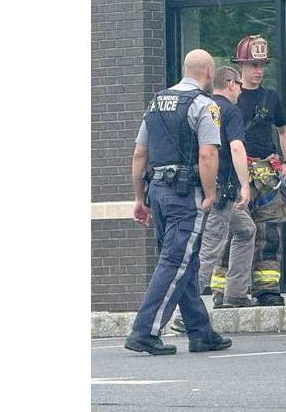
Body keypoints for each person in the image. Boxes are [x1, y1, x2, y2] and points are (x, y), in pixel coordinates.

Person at [125, 49, 232, 355]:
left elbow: (139, 154)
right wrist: (210, 193)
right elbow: (208, 153)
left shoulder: (157, 102)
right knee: (176, 261)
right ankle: (145, 331)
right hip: (186, 194)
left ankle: (201, 332)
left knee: (185, 259)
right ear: (209, 73)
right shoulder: (204, 105)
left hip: (156, 191)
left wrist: (138, 198)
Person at [233, 35, 286, 307]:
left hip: (268, 175)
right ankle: (228, 291)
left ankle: (268, 289)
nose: (258, 71)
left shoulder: (271, 98)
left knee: (269, 233)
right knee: (235, 231)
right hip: (238, 173)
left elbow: (283, 130)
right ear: (241, 67)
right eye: (252, 65)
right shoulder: (231, 98)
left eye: (261, 65)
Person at [198, 66, 257, 308]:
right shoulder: (230, 111)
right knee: (209, 251)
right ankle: (184, 313)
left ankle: (235, 294)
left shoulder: (203, 107)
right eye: (240, 85)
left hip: (206, 189)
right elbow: (236, 148)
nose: (241, 90)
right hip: (222, 192)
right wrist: (245, 185)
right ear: (231, 84)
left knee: (246, 230)